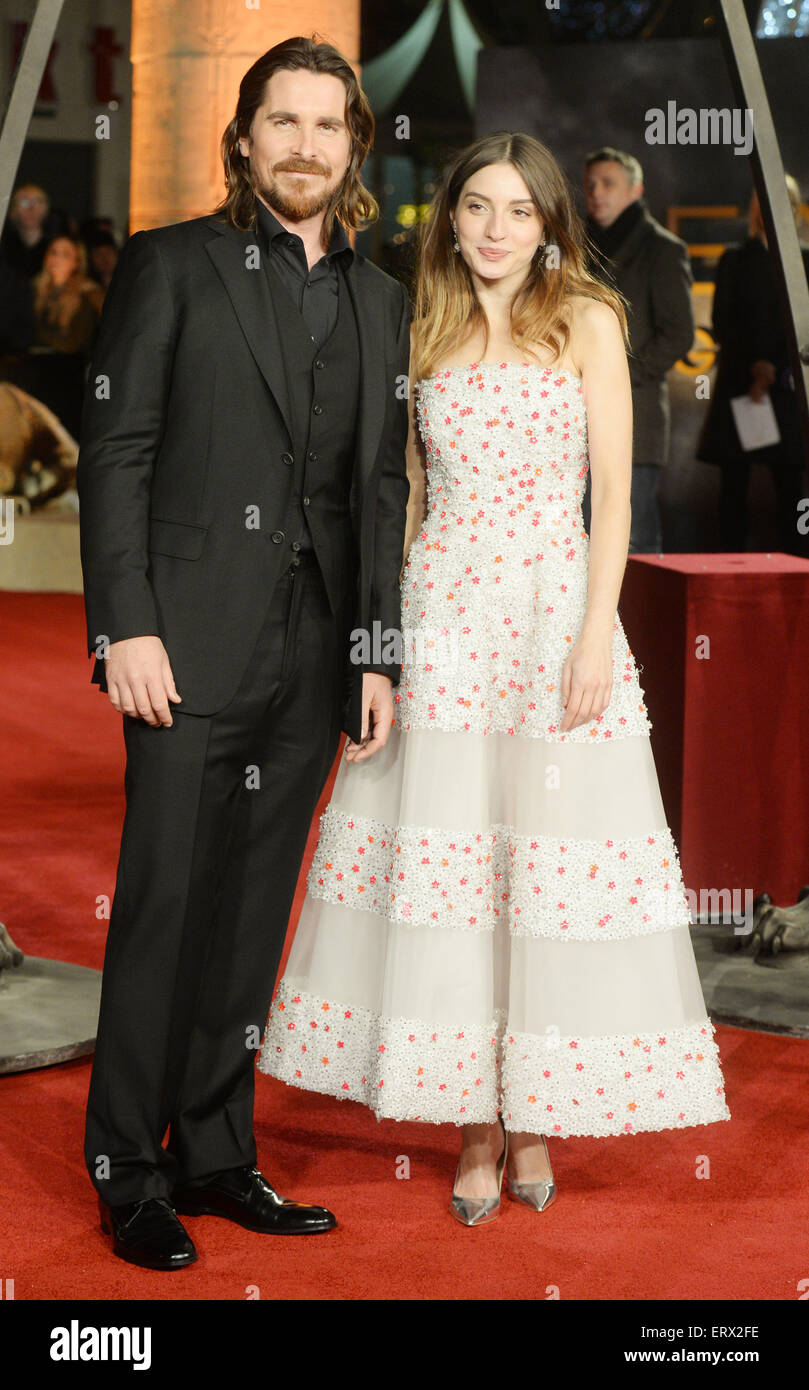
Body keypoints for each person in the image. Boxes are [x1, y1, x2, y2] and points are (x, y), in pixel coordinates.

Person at [259, 131, 731, 1227]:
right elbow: (405, 500)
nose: (493, 229)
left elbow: (611, 498)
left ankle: (534, 1114)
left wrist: (588, 635)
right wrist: (381, 643)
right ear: (449, 214)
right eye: (476, 206)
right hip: (442, 623)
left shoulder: (590, 323)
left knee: (544, 874)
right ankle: (474, 1118)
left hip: (552, 622)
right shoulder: (415, 324)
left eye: (518, 211)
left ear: (551, 223)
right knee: (458, 880)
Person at [77, 35, 410, 1270]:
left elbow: (377, 492)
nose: (306, 146)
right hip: (182, 646)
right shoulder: (171, 266)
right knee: (163, 904)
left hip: (314, 654)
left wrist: (374, 652)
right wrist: (127, 623)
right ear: (244, 135)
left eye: (328, 126)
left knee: (249, 912)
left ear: (353, 145)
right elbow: (113, 452)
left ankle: (216, 1151)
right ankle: (128, 1167)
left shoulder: (381, 301)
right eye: (284, 122)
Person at [581, 147, 694, 553]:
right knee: (581, 540)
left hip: (636, 417)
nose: (596, 192)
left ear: (636, 189)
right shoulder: (575, 246)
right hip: (575, 420)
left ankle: (642, 621)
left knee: (635, 540)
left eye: (608, 184)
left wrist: (616, 378)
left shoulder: (663, 249)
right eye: (591, 184)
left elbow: (679, 334)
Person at [696, 178, 809, 557]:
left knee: (792, 484)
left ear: (793, 207)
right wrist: (755, 366)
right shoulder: (734, 259)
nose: (766, 208)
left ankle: (797, 568)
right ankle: (731, 565)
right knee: (733, 483)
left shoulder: (805, 260)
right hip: (741, 384)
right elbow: (723, 321)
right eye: (759, 201)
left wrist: (775, 365)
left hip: (789, 386)